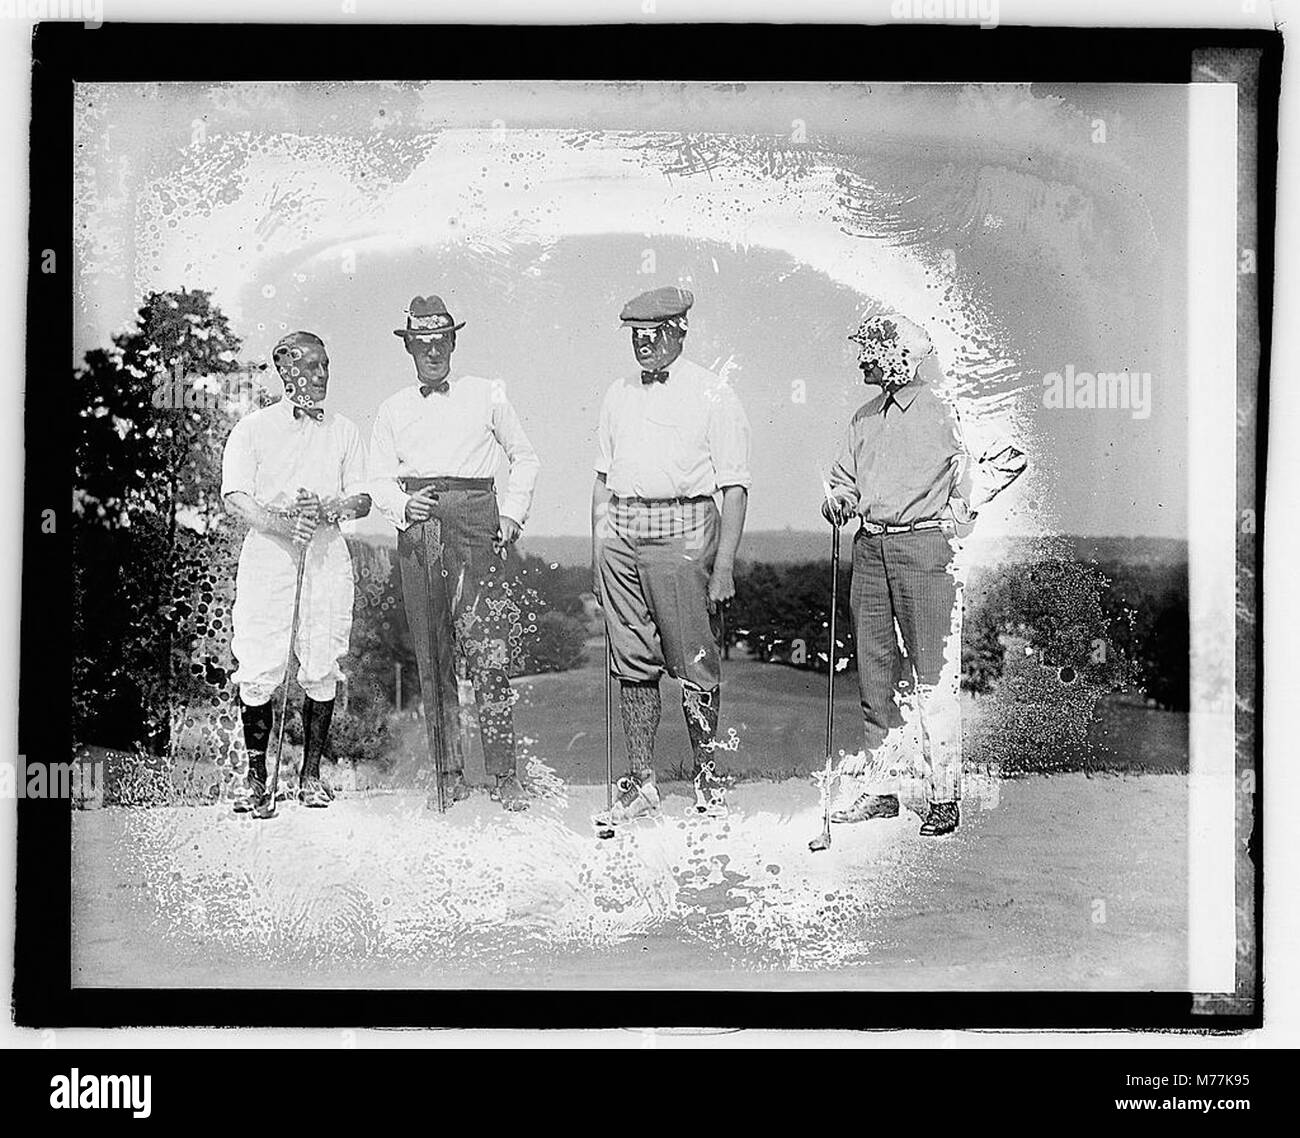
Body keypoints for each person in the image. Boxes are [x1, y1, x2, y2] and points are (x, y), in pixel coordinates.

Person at [823, 313, 1026, 836]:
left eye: (872, 349)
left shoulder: (945, 410)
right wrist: (840, 502)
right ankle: (883, 790)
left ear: (901, 358)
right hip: (868, 551)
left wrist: (964, 503)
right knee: (874, 675)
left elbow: (1010, 457)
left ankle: (943, 797)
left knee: (932, 681)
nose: (863, 358)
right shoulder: (862, 418)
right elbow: (842, 481)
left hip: (924, 549)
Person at [369, 294, 540, 812]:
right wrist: (402, 502)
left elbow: (525, 456)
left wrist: (511, 514)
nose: (432, 352)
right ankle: (449, 776)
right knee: (433, 651)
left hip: (476, 519)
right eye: (421, 344)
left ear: (453, 342)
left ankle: (505, 777)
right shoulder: (393, 408)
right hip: (421, 523)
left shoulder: (486, 394)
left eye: (440, 341)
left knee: (487, 649)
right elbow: (376, 478)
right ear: (410, 350)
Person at [592, 286, 751, 826]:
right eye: (635, 334)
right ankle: (641, 783)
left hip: (685, 524)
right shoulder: (617, 392)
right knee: (632, 660)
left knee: (693, 659)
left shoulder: (714, 393)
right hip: (622, 526)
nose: (643, 342)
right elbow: (601, 478)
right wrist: (599, 550)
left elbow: (733, 486)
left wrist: (724, 563)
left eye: (654, 332)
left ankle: (708, 778)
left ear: (681, 329)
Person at [222, 331, 371, 814]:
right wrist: (283, 522)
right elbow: (236, 496)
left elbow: (363, 498)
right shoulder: (253, 429)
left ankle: (310, 776)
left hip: (326, 553)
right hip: (269, 555)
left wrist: (330, 507)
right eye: (311, 365)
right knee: (260, 663)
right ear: (286, 369)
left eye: (326, 365)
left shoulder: (344, 430)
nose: (322, 374)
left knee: (322, 660)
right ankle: (256, 779)